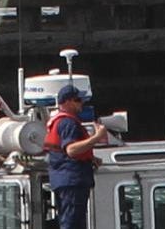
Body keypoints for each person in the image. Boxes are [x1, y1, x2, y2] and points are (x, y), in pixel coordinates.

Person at [43, 86, 105, 229]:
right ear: (67, 102)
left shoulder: (59, 122)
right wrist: (97, 137)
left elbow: (63, 151)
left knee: (72, 221)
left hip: (64, 180)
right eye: (77, 100)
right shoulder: (68, 123)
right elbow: (71, 150)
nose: (81, 103)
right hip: (72, 181)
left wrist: (91, 158)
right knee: (72, 223)